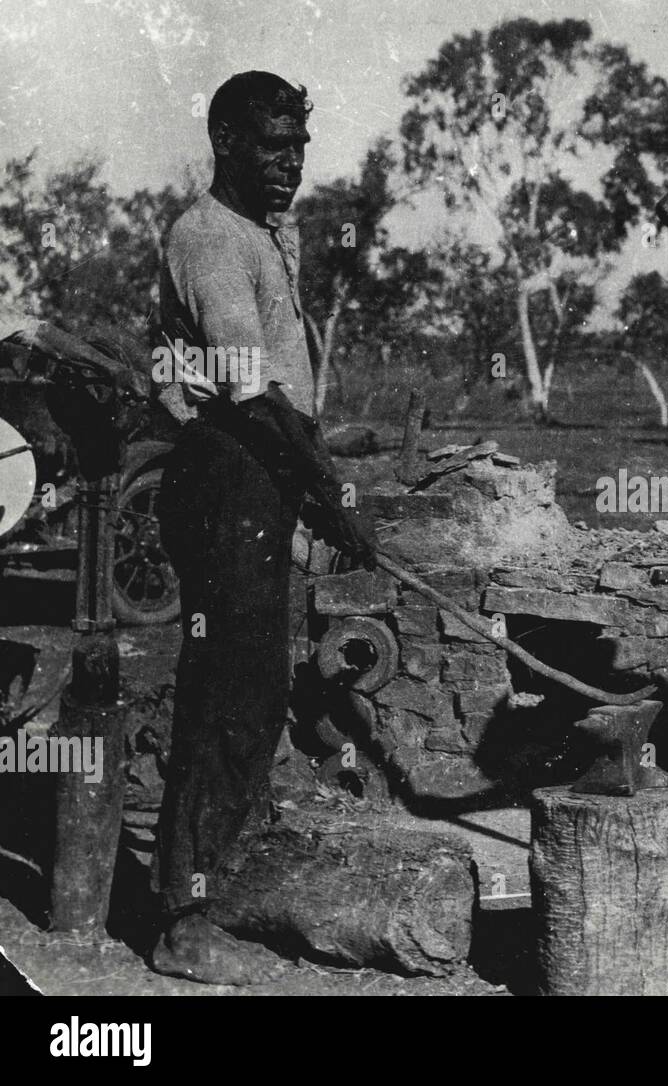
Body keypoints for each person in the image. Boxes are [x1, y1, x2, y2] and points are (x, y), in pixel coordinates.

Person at [150, 71, 374, 985]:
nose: (290, 164)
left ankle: (197, 897)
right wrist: (330, 493)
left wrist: (314, 484)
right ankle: (179, 924)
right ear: (226, 142)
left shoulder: (265, 235)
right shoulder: (208, 239)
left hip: (261, 480)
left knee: (249, 695)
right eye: (272, 145)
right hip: (226, 478)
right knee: (223, 700)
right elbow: (249, 393)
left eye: (299, 146)